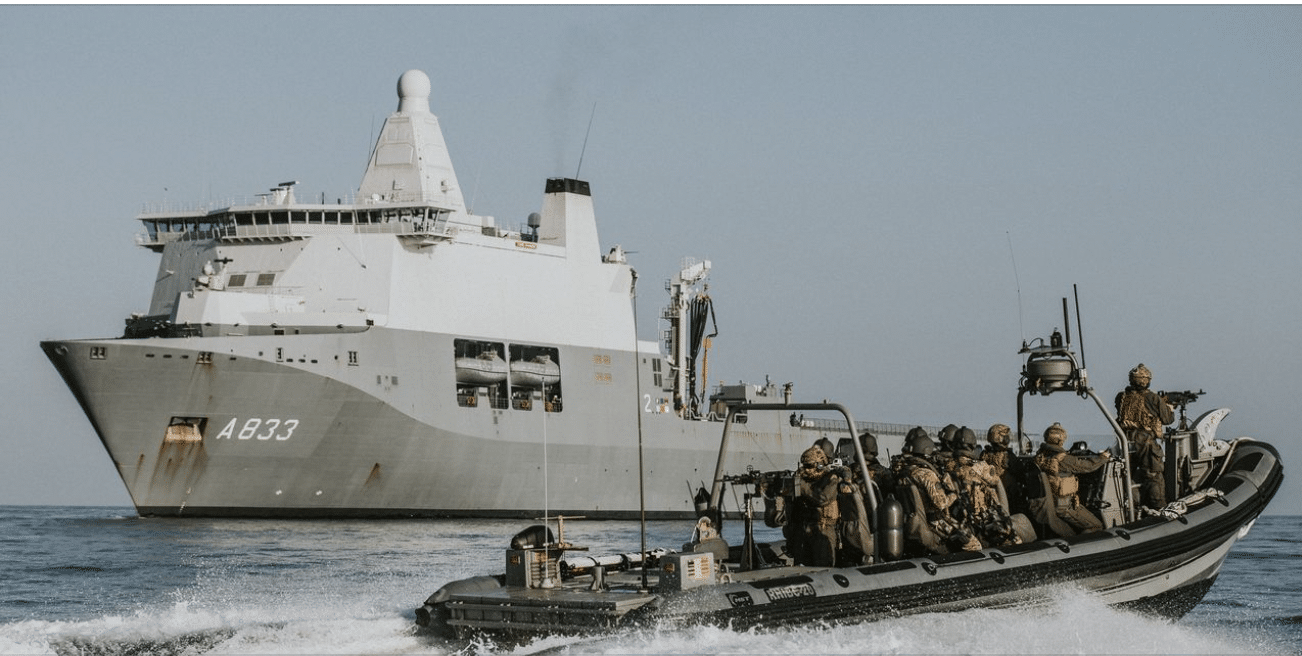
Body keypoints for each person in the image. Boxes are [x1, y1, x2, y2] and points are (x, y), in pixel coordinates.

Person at [892, 430, 981, 554]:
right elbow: (941, 503)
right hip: (936, 523)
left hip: (914, 521)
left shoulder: (905, 472)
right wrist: (954, 494)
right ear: (927, 452)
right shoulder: (927, 475)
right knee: (974, 544)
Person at [1114, 363, 1175, 509]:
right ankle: (1159, 506)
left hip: (1126, 441)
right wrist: (1169, 407)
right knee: (1153, 475)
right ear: (1147, 380)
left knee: (1128, 475)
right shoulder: (1152, 398)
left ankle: (1134, 505)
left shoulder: (1121, 397)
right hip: (1145, 442)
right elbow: (1167, 419)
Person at [1033, 423, 1111, 535]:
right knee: (1096, 525)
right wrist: (1103, 458)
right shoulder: (1062, 459)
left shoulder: (1039, 457)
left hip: (1048, 503)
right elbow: (1087, 466)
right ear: (1061, 441)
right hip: (1064, 505)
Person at [787, 445, 842, 567]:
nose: (805, 470)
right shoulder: (803, 480)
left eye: (809, 466)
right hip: (804, 529)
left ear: (819, 465)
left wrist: (802, 487)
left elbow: (823, 499)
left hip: (823, 530)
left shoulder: (831, 479)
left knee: (823, 566)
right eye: (804, 466)